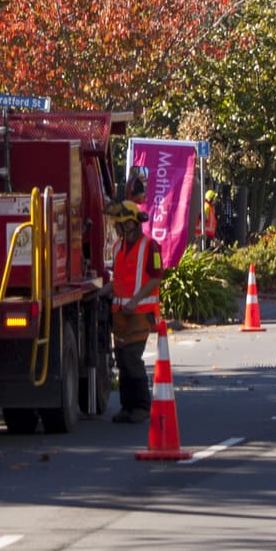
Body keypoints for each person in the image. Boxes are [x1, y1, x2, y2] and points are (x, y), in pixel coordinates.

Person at [108, 176, 164, 424]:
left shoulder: (151, 246)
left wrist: (135, 301)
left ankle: (141, 407)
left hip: (141, 313)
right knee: (121, 359)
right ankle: (126, 407)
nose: (117, 229)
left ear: (131, 224)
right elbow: (119, 280)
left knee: (132, 359)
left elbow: (156, 278)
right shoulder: (118, 247)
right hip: (121, 315)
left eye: (120, 225)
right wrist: (102, 291)